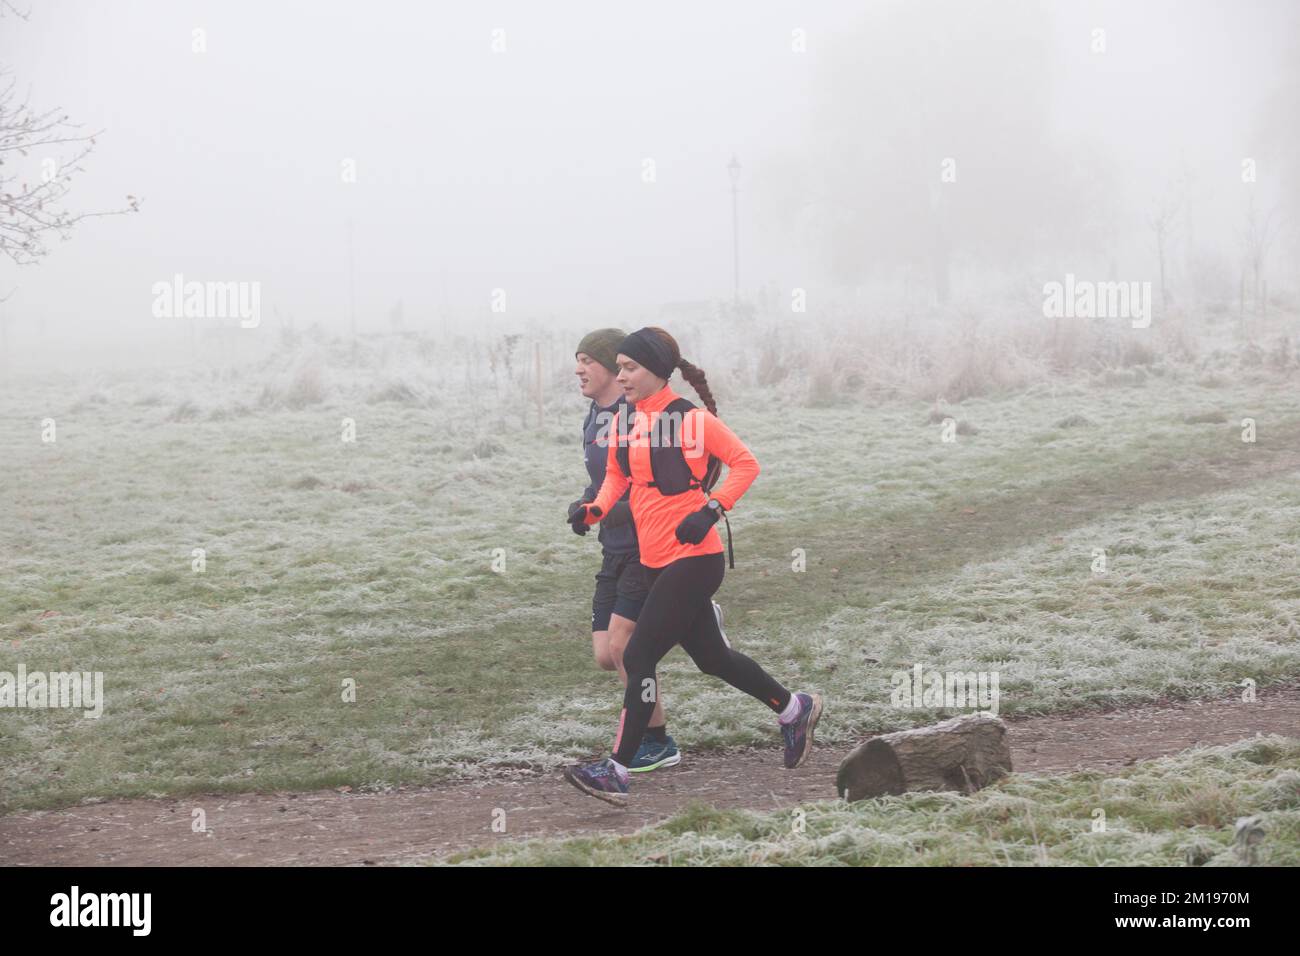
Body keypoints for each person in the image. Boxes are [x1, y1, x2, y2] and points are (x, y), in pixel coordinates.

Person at [563, 326, 823, 807]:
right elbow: (619, 476)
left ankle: (616, 770)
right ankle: (793, 708)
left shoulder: (692, 420)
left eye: (629, 367)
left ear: (657, 372)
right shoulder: (629, 421)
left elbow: (746, 464)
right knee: (713, 659)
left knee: (637, 657)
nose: (621, 376)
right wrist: (593, 510)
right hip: (655, 559)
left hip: (696, 559)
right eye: (618, 367)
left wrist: (712, 508)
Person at [570, 329, 680, 771]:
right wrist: (585, 504)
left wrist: (619, 510)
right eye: (576, 360)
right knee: (605, 654)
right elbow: (605, 478)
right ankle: (694, 616)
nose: (578, 369)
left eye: (587, 360)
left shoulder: (638, 417)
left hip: (646, 545)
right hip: (612, 549)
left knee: (624, 649)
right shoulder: (594, 416)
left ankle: (656, 741)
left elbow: (664, 484)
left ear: (613, 369)